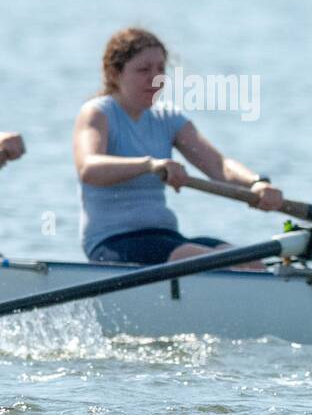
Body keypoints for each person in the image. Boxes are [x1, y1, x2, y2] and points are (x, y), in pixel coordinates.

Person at [74, 28, 284, 267]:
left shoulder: (168, 118)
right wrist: (149, 165)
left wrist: (256, 183)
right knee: (218, 264)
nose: (155, 78)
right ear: (114, 73)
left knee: (252, 264)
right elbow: (88, 168)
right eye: (144, 70)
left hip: (165, 237)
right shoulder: (98, 113)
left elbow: (220, 166)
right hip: (113, 243)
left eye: (160, 69)